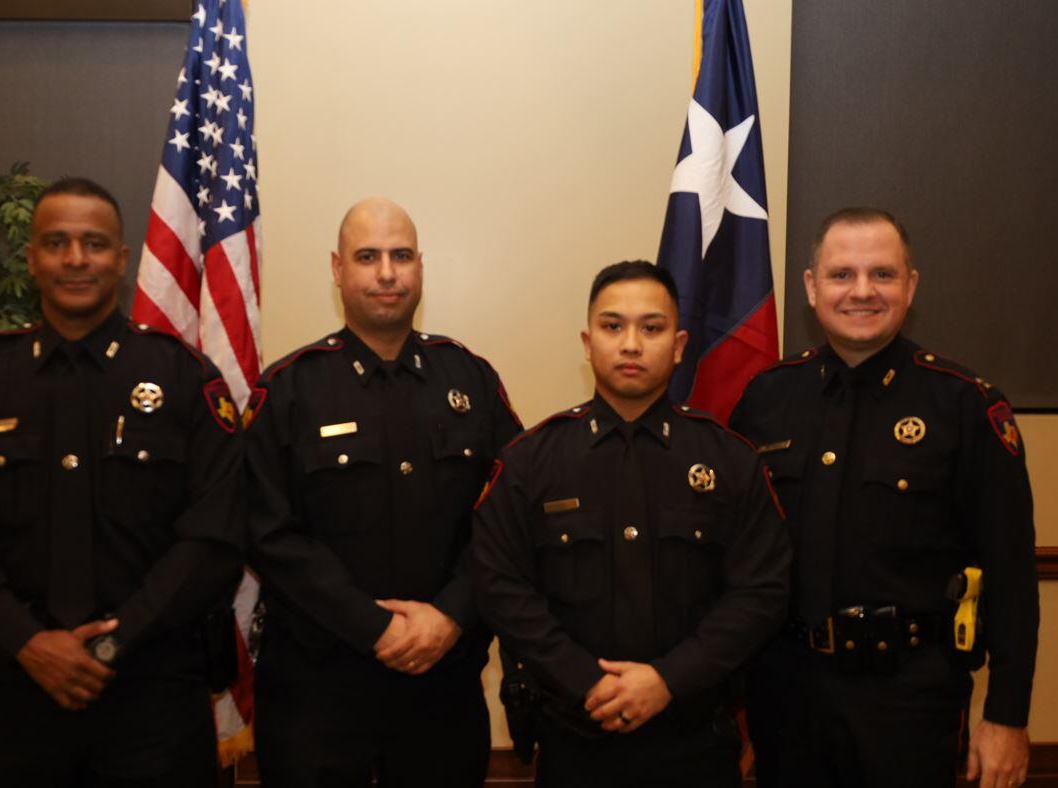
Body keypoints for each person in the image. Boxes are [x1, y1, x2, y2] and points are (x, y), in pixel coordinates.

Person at [0, 177, 244, 787]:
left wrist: (113, 646)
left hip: (155, 695)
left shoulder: (183, 379)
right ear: (32, 256)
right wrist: (30, 643)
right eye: (56, 243)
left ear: (121, 260)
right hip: (20, 691)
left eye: (93, 244)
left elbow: (216, 534)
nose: (74, 259)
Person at [730, 208, 1039, 788]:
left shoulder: (965, 406)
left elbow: (1013, 575)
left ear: (911, 285)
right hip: (786, 693)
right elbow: (736, 558)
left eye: (883, 274)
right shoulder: (765, 398)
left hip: (910, 700)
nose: (862, 292)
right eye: (842, 274)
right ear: (811, 286)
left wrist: (1007, 716)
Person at [472, 261, 790, 787]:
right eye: (612, 326)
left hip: (696, 744)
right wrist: (585, 681)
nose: (631, 344)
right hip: (574, 741)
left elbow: (762, 590)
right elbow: (501, 588)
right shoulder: (531, 462)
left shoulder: (731, 460)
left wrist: (668, 680)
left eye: (652, 327)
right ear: (587, 340)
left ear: (681, 343)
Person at [243, 196, 522, 787]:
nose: (387, 272)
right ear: (337, 269)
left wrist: (451, 615)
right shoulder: (290, 390)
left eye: (400, 256)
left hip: (442, 685)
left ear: (421, 265)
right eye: (367, 257)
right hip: (317, 691)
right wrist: (375, 627)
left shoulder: (471, 379)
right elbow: (265, 530)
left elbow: (509, 520)